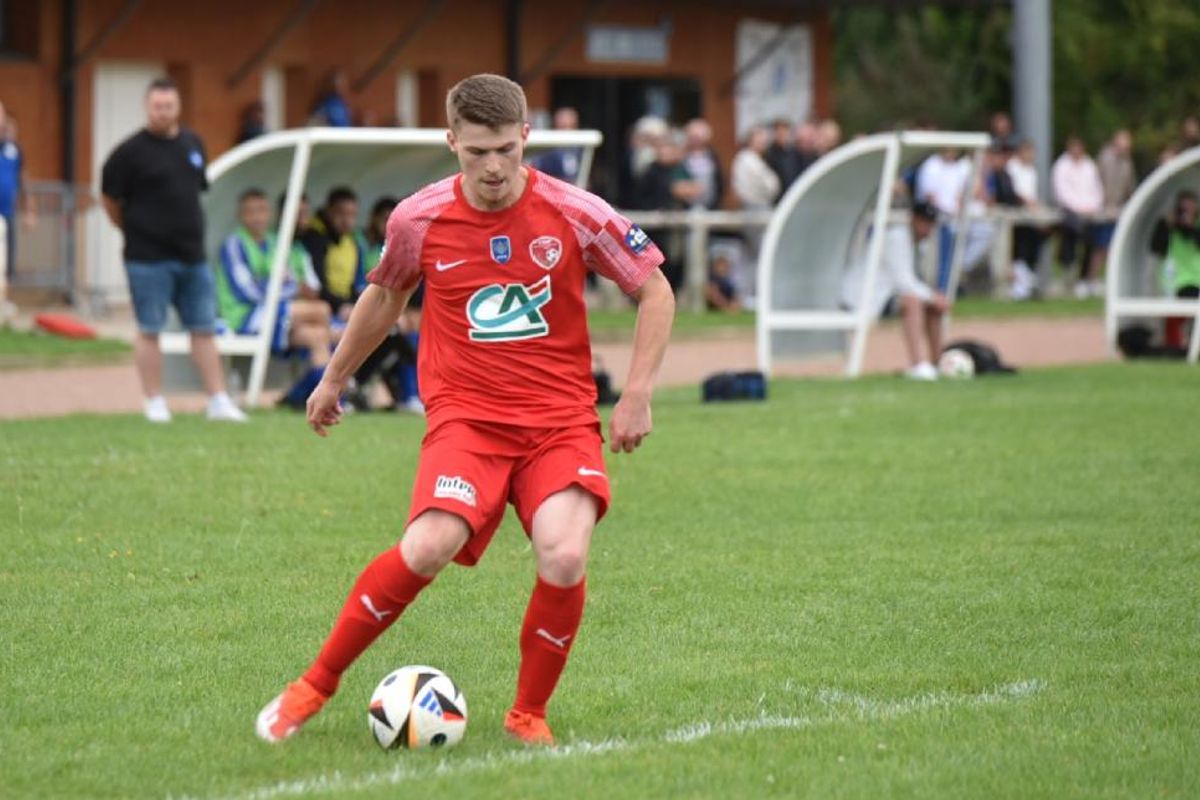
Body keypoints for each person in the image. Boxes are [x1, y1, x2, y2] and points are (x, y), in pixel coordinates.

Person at [255, 73, 675, 747]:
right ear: (451, 141)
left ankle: (528, 716)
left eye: (506, 149)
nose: (493, 166)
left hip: (559, 421)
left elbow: (655, 290)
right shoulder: (417, 219)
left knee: (564, 557)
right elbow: (385, 298)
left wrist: (637, 393)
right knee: (428, 544)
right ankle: (314, 686)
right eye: (476, 151)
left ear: (526, 138)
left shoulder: (575, 212)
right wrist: (333, 379)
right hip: (468, 419)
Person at [100, 77, 247, 423]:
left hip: (192, 256)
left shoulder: (192, 144)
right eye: (157, 106)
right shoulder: (128, 153)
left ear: (178, 107)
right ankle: (154, 401)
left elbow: (197, 192)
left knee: (203, 327)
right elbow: (109, 200)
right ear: (147, 108)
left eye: (169, 106)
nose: (163, 112)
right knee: (150, 328)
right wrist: (130, 229)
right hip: (147, 258)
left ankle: (218, 400)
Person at [217, 188, 336, 409]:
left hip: (274, 312)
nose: (257, 217)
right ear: (240, 215)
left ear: (270, 214)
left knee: (317, 336)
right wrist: (284, 289)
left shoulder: (276, 243)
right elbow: (247, 291)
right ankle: (340, 387)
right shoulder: (234, 244)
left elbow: (289, 279)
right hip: (244, 316)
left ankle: (307, 399)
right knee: (321, 311)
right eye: (250, 212)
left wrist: (281, 287)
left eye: (262, 210)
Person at [840, 201, 948, 380]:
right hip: (862, 298)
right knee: (912, 301)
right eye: (925, 222)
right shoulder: (895, 238)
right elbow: (903, 281)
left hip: (883, 296)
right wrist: (934, 297)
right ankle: (918, 364)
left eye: (931, 223)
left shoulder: (918, 244)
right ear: (913, 219)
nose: (928, 228)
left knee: (932, 307)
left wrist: (933, 299)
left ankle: (938, 363)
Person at [1052, 135, 1104, 299]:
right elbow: (1062, 193)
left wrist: (1092, 206)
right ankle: (1068, 274)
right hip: (1069, 211)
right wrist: (1078, 207)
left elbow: (1097, 189)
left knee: (1093, 240)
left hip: (1090, 211)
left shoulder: (1089, 165)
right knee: (1071, 237)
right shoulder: (1061, 166)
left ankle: (1085, 278)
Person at [1150, 189, 1200, 349]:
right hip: (1175, 279)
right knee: (1174, 316)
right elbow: (1156, 247)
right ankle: (1173, 346)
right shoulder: (1168, 224)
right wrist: (1166, 225)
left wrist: (1188, 226)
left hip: (1195, 278)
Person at [1007, 138, 1047, 300]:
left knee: (1038, 236)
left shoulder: (1032, 170)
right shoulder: (1012, 167)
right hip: (1016, 213)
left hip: (1030, 214)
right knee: (1022, 241)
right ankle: (1022, 281)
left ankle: (1028, 277)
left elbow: (1032, 195)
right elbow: (1016, 193)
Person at [0, 102, 34, 285]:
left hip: (7, 212)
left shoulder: (15, 150)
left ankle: (4, 300)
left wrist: (30, 211)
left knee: (7, 262)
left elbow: (24, 180)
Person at [530, 107, 583, 184]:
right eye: (563, 127)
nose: (567, 131)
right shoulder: (546, 149)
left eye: (571, 126)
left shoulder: (581, 148)